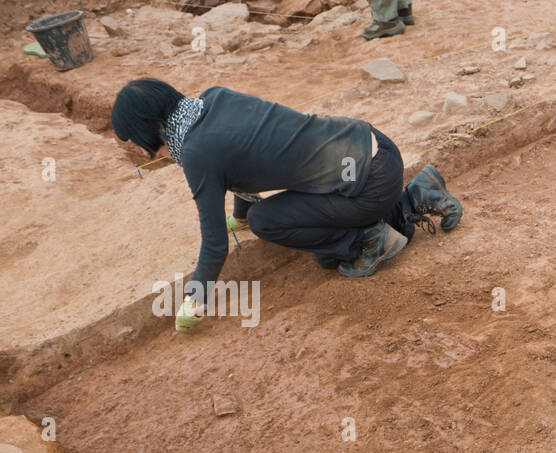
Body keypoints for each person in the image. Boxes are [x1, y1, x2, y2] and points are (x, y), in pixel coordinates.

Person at [110, 78, 461, 330]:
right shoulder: (214, 99)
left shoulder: (196, 152)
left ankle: (371, 240)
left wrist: (195, 297)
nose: (148, 153)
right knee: (306, 222)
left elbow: (214, 244)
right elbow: (244, 160)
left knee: (271, 223)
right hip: (376, 147)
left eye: (142, 143)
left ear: (154, 128)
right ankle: (418, 193)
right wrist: (239, 217)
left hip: (369, 185)